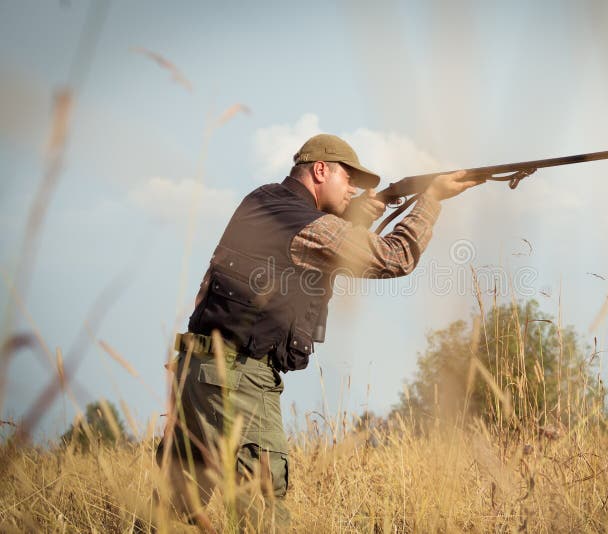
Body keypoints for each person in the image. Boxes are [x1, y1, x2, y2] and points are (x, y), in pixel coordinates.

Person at [155, 134, 484, 530]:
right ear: (321, 170)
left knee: (169, 513)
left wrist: (373, 205)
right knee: (263, 514)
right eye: (349, 180)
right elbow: (394, 258)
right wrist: (429, 200)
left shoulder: (262, 199)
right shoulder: (307, 225)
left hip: (197, 373)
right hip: (237, 380)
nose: (354, 191)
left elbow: (321, 232)